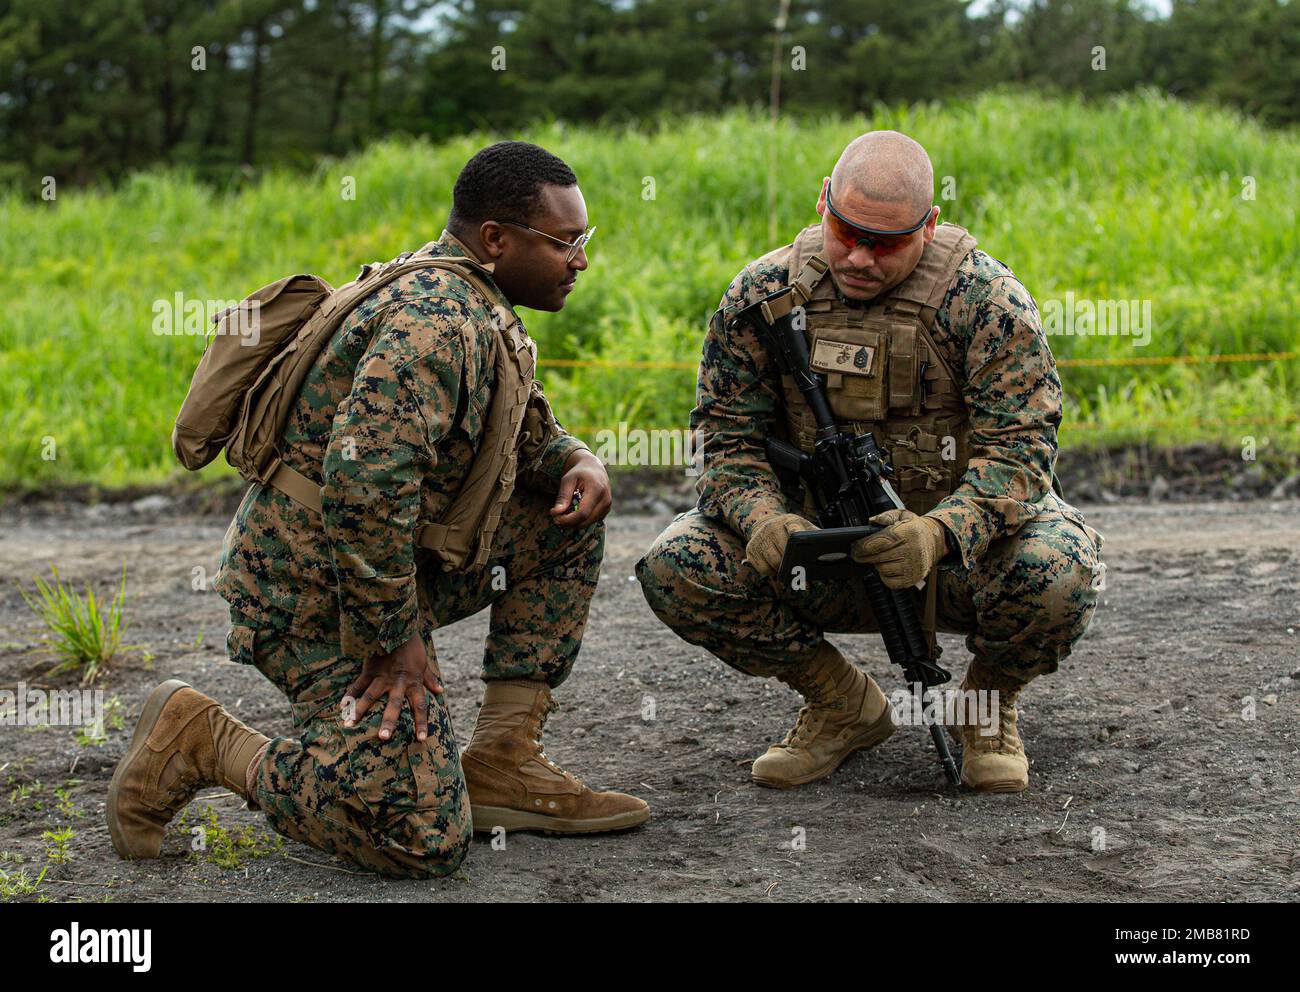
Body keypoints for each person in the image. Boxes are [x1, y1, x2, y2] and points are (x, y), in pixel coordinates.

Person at [109, 141, 649, 879]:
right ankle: (203, 740)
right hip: (308, 595)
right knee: (421, 835)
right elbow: (364, 483)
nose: (581, 260)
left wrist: (577, 460)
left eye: (583, 242)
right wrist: (392, 640)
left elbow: (523, 434)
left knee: (568, 516)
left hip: (371, 570)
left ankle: (502, 761)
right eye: (566, 243)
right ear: (496, 239)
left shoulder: (475, 304)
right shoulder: (436, 320)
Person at [637, 130, 1104, 793]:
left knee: (1059, 572)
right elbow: (725, 441)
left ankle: (986, 703)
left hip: (956, 557)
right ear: (823, 200)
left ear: (930, 225)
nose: (859, 257)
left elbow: (1022, 454)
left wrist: (939, 532)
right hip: (823, 549)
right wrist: (765, 518)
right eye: (845, 229)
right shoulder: (766, 296)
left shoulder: (985, 301)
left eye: (885, 243)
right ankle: (840, 703)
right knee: (675, 565)